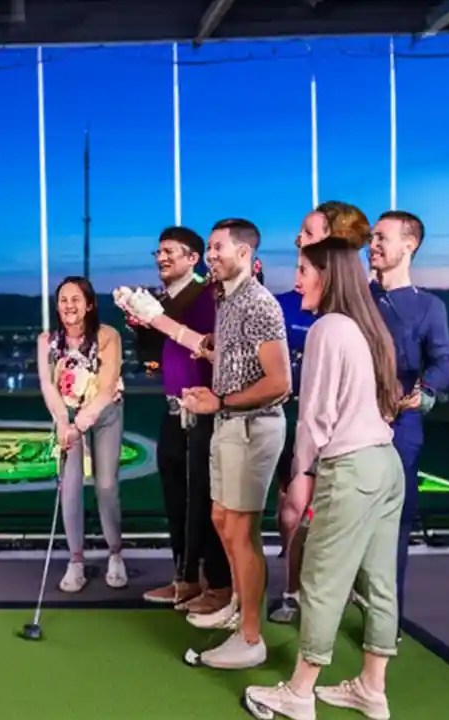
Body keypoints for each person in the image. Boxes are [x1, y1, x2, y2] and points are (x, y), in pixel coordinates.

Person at [242, 236, 405, 720]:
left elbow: (315, 416)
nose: (296, 282)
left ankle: (299, 693)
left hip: (350, 468)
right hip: (385, 464)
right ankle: (372, 689)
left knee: (319, 580)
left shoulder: (327, 328)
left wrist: (302, 473)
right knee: (379, 584)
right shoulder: (367, 326)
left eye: (304, 270)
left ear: (327, 276)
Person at [179, 218, 290, 670]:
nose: (210, 256)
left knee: (243, 531)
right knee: (222, 518)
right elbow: (243, 359)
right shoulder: (226, 298)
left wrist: (220, 400)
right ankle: (237, 608)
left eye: (217, 248)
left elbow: (280, 382)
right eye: (208, 248)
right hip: (229, 424)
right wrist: (214, 358)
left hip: (252, 427)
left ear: (244, 253)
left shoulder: (259, 303)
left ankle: (250, 637)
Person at [270, 200, 373, 625]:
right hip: (294, 423)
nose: (299, 239)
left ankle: (342, 599)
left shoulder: (354, 312)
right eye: (300, 232)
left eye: (309, 233)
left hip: (341, 436)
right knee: (291, 511)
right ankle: (293, 591)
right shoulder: (286, 302)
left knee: (335, 518)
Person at [126, 227, 231, 614]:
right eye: (158, 252)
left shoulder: (206, 295)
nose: (161, 258)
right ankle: (185, 579)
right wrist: (140, 325)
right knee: (176, 501)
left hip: (202, 413)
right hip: (173, 411)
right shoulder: (165, 300)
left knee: (203, 500)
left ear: (193, 258)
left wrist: (156, 318)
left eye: (170, 251)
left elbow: (209, 346)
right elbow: (152, 362)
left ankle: (217, 584)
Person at [368, 210, 449, 619]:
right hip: (349, 425)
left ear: (410, 244)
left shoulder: (429, 307)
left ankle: (387, 624)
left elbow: (443, 362)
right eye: (372, 237)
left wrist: (425, 391)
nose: (373, 245)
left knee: (395, 526)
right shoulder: (356, 300)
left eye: (381, 237)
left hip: (401, 428)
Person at [38, 275, 127, 593]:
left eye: (76, 299)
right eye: (63, 300)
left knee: (106, 485)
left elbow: (106, 387)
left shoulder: (108, 336)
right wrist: (64, 423)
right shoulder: (47, 341)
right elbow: (48, 385)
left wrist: (81, 424)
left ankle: (115, 552)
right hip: (68, 420)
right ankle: (76, 560)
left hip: (104, 414)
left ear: (89, 304)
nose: (69, 305)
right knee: (70, 488)